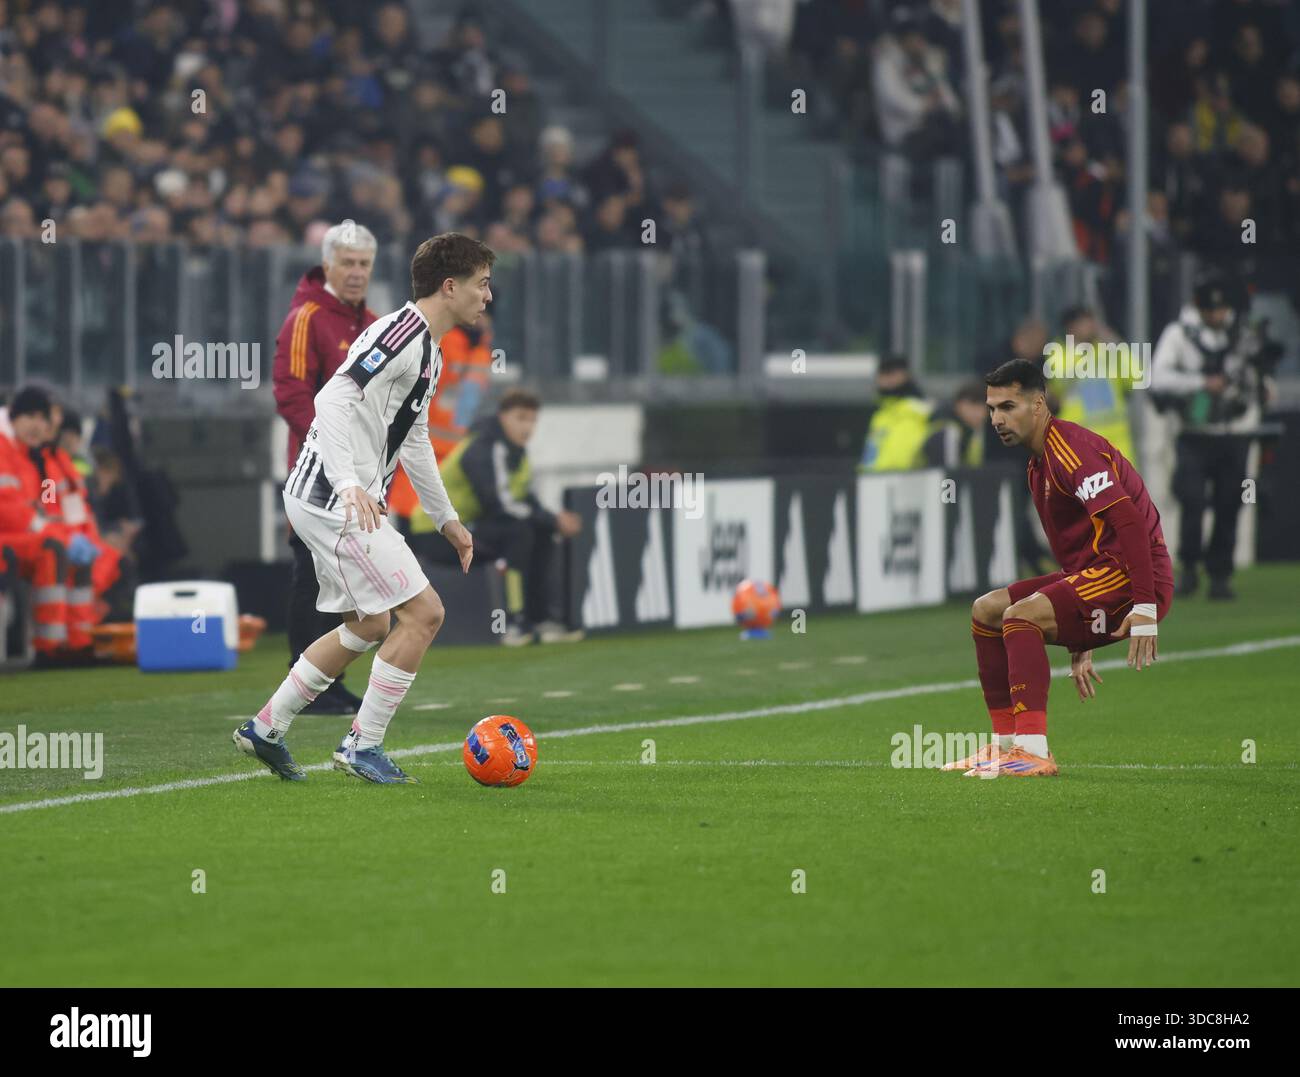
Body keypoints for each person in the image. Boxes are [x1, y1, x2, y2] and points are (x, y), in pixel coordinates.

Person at [233, 233, 483, 784]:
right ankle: (362, 745)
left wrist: (446, 519)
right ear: (450, 286)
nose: (487, 296)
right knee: (425, 613)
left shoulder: (428, 348)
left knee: (370, 623)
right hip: (333, 499)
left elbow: (412, 438)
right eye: (481, 283)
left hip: (324, 497)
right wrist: (349, 483)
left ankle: (265, 728)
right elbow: (332, 397)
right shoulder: (401, 332)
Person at [947, 359, 1174, 777]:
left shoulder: (1070, 449)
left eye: (1008, 407)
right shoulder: (1038, 463)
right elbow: (1076, 553)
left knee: (1020, 617)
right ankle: (1001, 746)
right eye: (992, 408)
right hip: (1096, 573)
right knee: (987, 610)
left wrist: (1144, 606)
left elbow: (1128, 522)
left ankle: (1032, 750)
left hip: (1131, 575)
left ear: (1038, 404)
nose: (997, 419)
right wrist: (1077, 634)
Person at [272, 221, 379, 715]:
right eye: (349, 263)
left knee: (345, 576)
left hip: (358, 475)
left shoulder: (372, 322)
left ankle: (324, 680)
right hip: (312, 473)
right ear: (328, 264)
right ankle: (304, 677)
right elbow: (291, 392)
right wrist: (328, 445)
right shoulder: (307, 318)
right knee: (309, 572)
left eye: (364, 264)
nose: (357, 273)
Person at [410, 389, 583, 646]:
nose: (527, 427)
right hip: (435, 532)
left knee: (541, 531)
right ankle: (515, 623)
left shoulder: (518, 452)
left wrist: (551, 520)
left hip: (467, 528)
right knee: (519, 531)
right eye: (521, 418)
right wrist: (553, 519)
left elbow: (524, 497)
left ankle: (543, 620)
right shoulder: (485, 447)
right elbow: (499, 504)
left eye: (532, 420)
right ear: (503, 417)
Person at [1150, 273, 1277, 600]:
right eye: (1211, 310)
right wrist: (1200, 384)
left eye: (1221, 310)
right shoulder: (1179, 334)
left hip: (1235, 433)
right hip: (1193, 433)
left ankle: (1220, 574)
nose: (1218, 316)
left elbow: (1260, 376)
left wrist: (1263, 391)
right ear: (1199, 308)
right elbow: (1158, 378)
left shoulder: (1243, 334)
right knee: (1191, 499)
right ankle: (1190, 567)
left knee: (1229, 503)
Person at [859, 356, 934, 472]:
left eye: (893, 373)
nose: (889, 379)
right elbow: (871, 453)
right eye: (884, 374)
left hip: (911, 480)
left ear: (906, 375)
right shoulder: (880, 415)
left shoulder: (921, 409)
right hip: (875, 481)